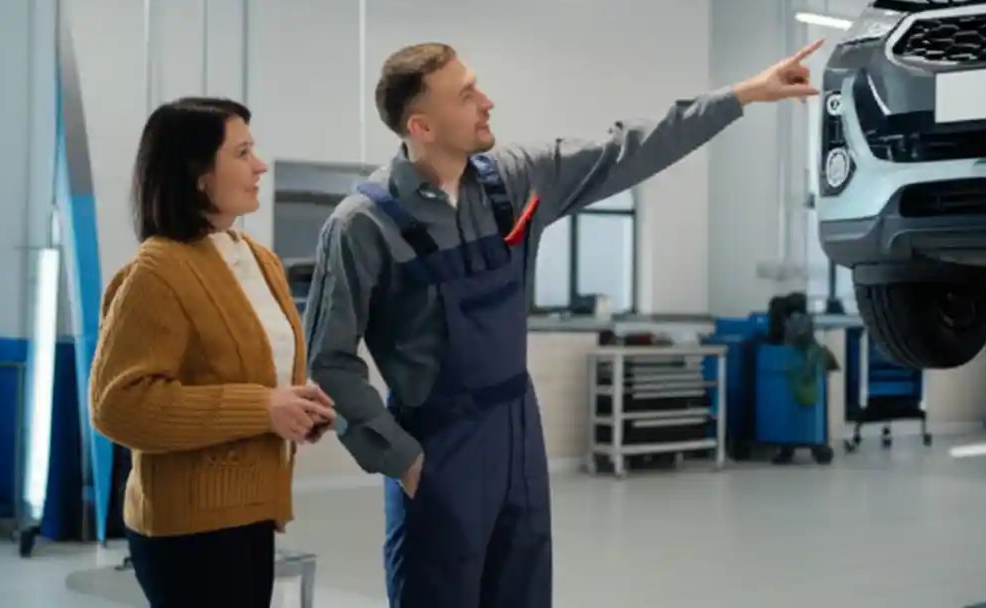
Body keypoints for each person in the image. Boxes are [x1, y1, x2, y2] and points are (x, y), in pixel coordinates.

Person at [304, 39, 824, 607]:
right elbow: (329, 359)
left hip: (518, 431)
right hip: (438, 447)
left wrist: (745, 93)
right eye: (467, 94)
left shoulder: (516, 181)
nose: (487, 101)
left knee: (524, 589)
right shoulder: (363, 225)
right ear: (422, 126)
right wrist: (401, 458)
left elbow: (626, 150)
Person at [89, 97, 337, 608]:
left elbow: (251, 372)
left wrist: (295, 405)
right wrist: (263, 407)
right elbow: (119, 405)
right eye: (242, 152)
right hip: (188, 530)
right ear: (198, 174)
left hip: (252, 514)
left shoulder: (258, 260)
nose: (260, 165)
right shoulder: (157, 272)